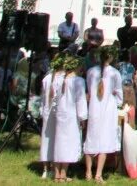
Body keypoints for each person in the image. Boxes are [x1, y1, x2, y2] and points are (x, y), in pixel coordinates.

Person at [84, 46, 122, 182]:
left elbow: (89, 88)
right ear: (110, 57)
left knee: (91, 136)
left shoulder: (90, 71)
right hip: (108, 108)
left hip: (94, 107)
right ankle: (98, 174)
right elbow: (119, 94)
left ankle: (88, 172)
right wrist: (116, 101)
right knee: (104, 138)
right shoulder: (115, 73)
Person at [53, 54, 88, 182]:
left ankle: (57, 173)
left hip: (60, 114)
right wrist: (83, 117)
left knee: (59, 142)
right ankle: (62, 173)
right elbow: (80, 100)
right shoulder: (78, 81)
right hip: (71, 115)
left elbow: (55, 98)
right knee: (69, 142)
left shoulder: (59, 79)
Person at [39, 53, 65, 180]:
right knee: (57, 139)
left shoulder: (46, 78)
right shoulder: (63, 79)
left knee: (47, 140)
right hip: (58, 112)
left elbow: (43, 97)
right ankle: (57, 168)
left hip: (47, 111)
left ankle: (45, 168)